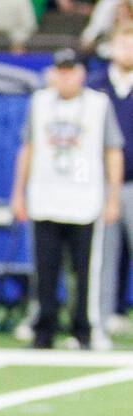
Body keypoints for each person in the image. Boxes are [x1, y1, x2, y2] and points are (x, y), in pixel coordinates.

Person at [11, 48, 124, 349]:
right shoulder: (40, 103)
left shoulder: (98, 105)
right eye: (60, 70)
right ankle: (43, 328)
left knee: (85, 271)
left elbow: (112, 151)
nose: (65, 76)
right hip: (45, 196)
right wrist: (17, 193)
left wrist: (112, 197)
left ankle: (84, 330)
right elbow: (28, 148)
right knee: (45, 270)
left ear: (81, 73)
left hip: (84, 199)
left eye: (70, 70)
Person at [91, 19, 133, 350]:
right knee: (102, 259)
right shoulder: (95, 87)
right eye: (123, 41)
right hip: (101, 186)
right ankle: (99, 323)